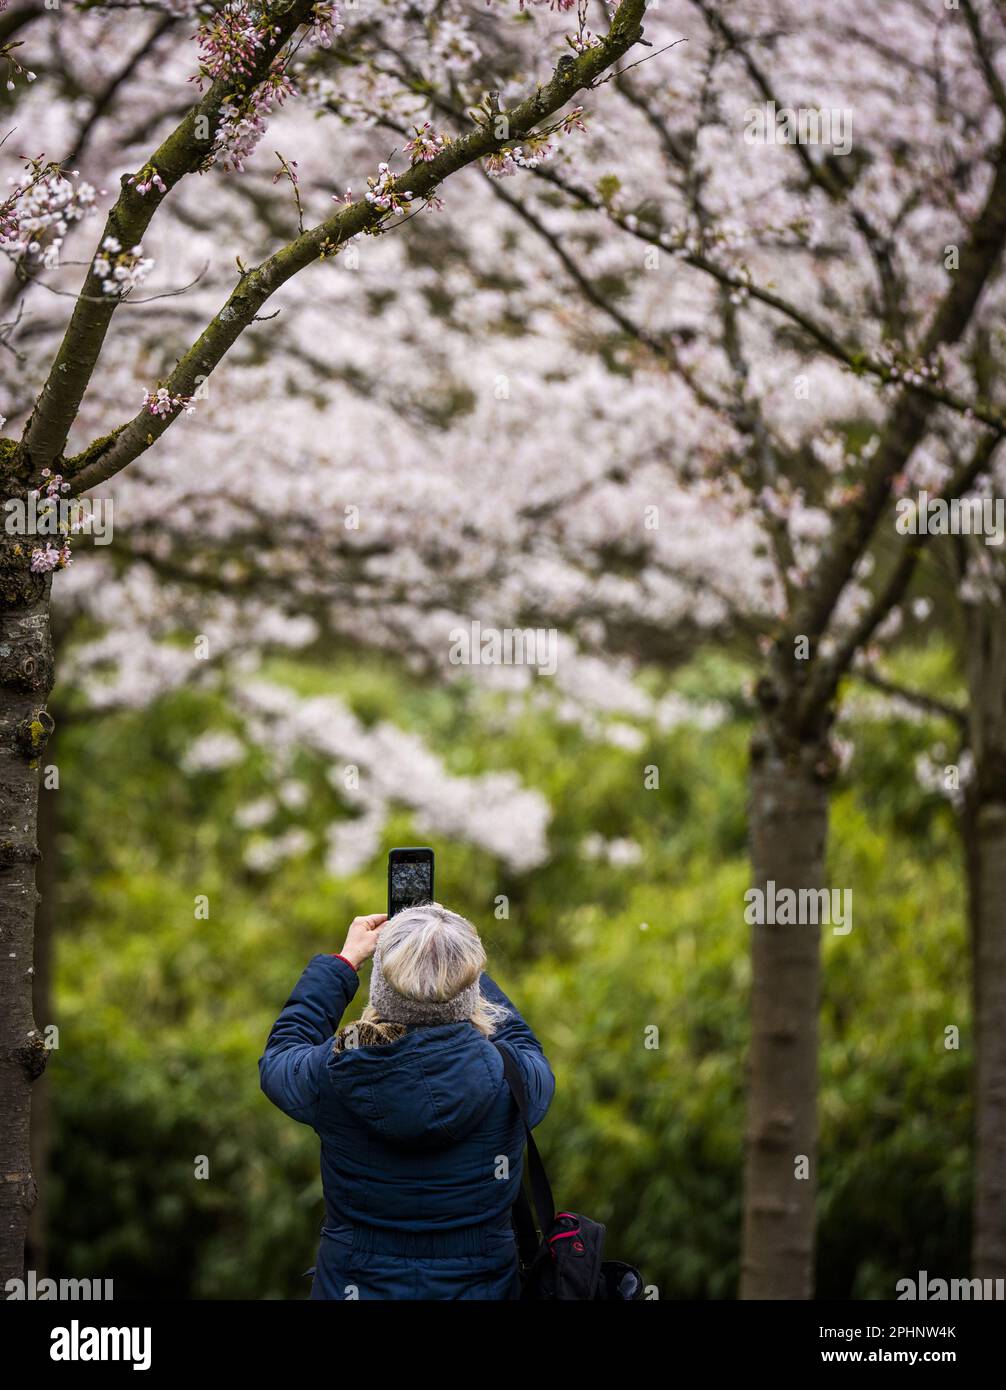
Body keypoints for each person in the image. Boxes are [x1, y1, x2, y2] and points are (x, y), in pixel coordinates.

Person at [259, 902, 555, 1299]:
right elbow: (523, 1042)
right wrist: (449, 960)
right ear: (466, 991)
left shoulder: (334, 1070)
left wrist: (345, 962)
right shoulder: (513, 1077)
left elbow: (280, 1055)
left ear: (381, 988)